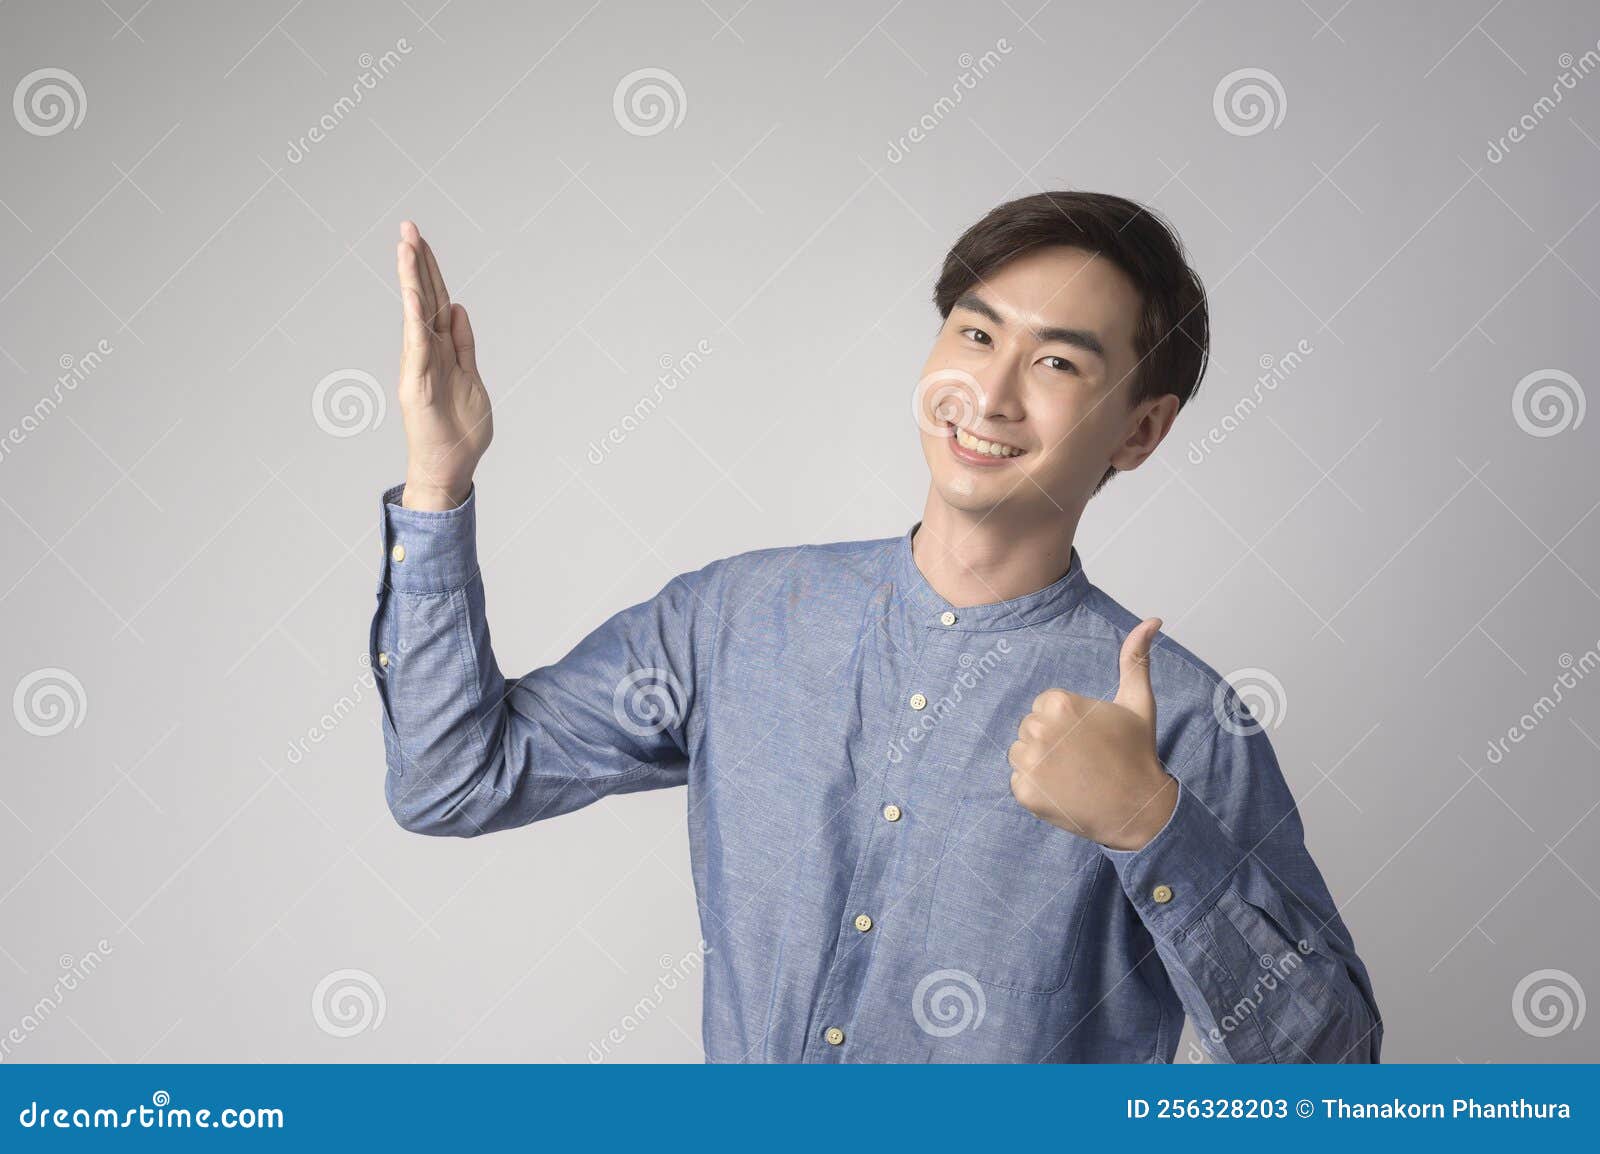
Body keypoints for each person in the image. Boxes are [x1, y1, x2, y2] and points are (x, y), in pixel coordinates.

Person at [371, 191, 1381, 1063]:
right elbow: (452, 778)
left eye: (1058, 364)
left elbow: (1330, 1077)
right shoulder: (733, 621)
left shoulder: (1181, 720)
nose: (987, 393)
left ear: (1141, 428)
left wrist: (1150, 825)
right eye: (976, 335)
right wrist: (439, 480)